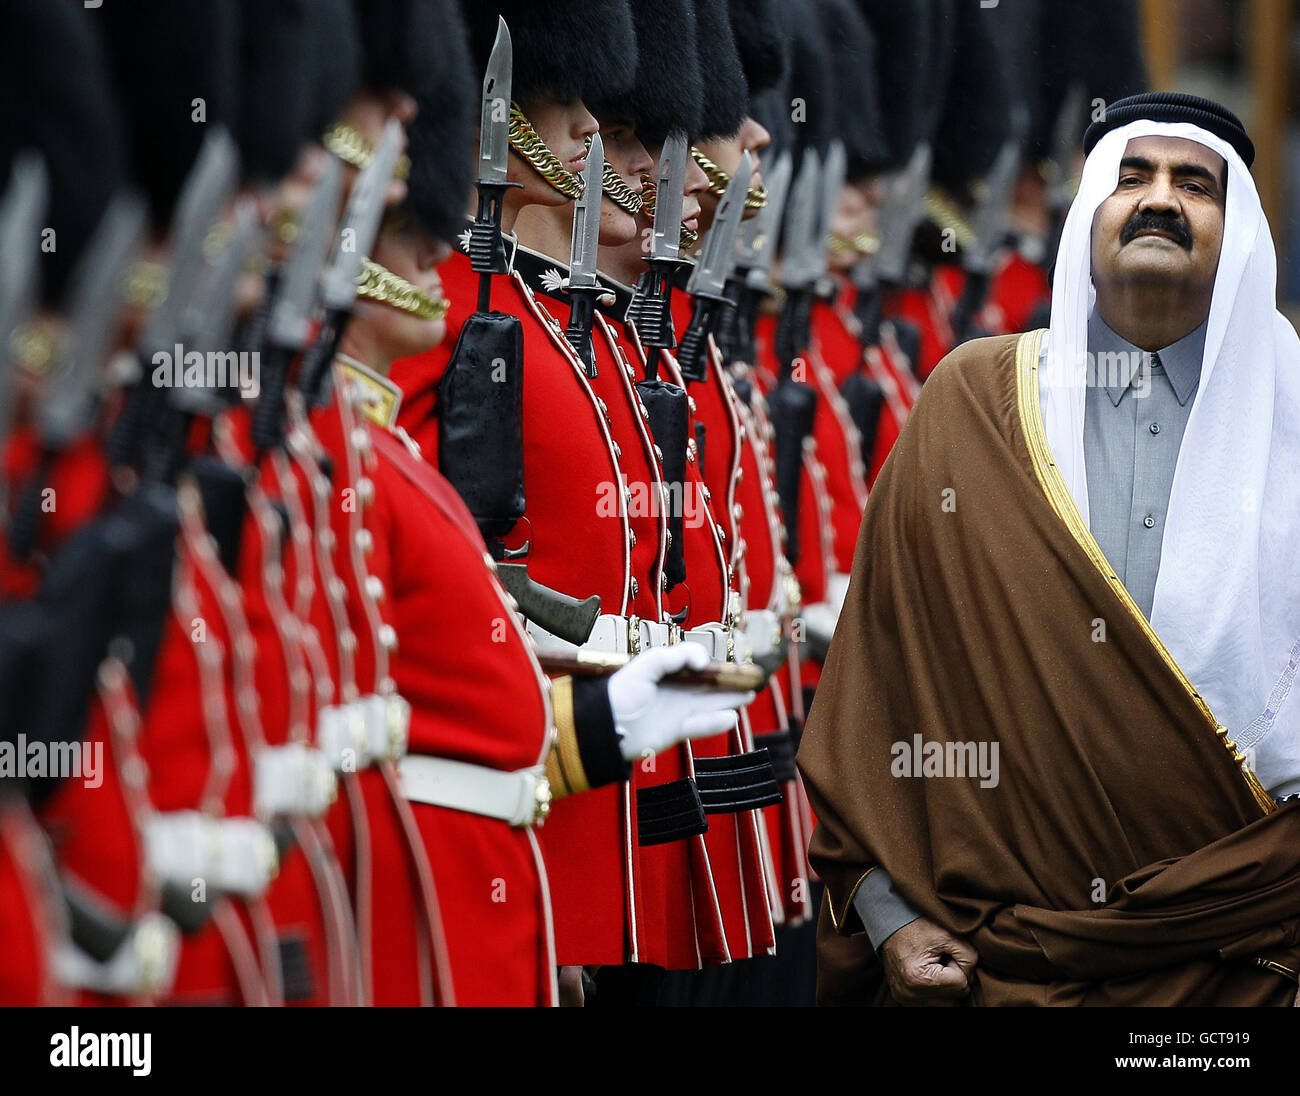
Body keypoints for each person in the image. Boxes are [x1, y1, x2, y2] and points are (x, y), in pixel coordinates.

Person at [799, 91, 1300, 1006]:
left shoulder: (1296, 424)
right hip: (1000, 972)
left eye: (1196, 183)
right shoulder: (971, 404)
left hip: (1243, 967)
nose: (1159, 200)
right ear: (1086, 219)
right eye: (1130, 177)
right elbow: (873, 697)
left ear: (1243, 237)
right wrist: (888, 917)